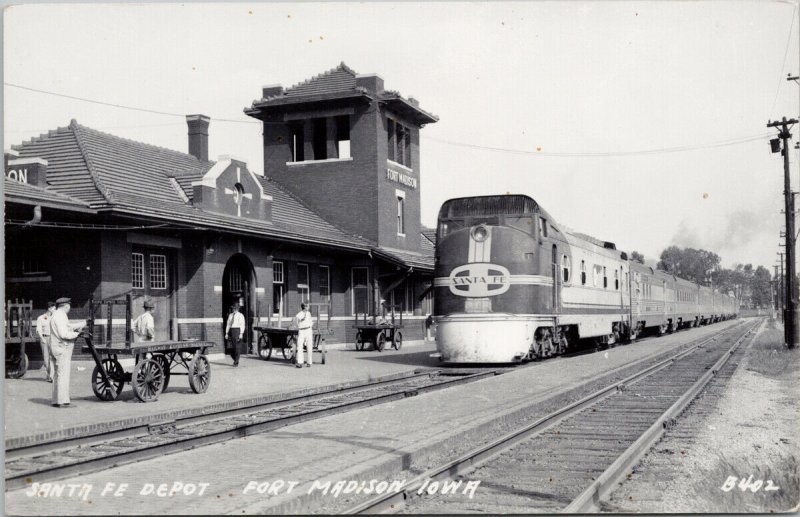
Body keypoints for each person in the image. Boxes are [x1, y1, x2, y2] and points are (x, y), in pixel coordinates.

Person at [49, 297, 85, 408]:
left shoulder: (56, 315)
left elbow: (67, 326)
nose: (70, 307)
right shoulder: (60, 316)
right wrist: (77, 334)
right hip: (62, 348)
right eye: (69, 305)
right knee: (63, 374)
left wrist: (81, 324)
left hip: (56, 348)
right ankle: (62, 401)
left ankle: (56, 400)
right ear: (65, 306)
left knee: (57, 374)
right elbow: (64, 334)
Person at [35, 301, 56, 382]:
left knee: (53, 357)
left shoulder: (54, 317)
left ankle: (51, 376)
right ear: (49, 308)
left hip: (53, 338)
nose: (55, 309)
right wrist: (42, 338)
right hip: (44, 338)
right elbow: (39, 329)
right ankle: (49, 374)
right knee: (46, 358)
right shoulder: (41, 318)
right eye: (54, 308)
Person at [225, 303, 246, 367]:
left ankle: (236, 362)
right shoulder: (230, 315)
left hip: (237, 331)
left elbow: (242, 324)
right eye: (233, 308)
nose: (234, 309)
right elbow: (228, 324)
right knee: (230, 348)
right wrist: (226, 333)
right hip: (231, 331)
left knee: (237, 347)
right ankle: (235, 359)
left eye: (235, 308)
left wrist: (241, 333)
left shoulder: (240, 315)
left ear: (237, 309)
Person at [294, 303, 313, 368]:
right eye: (307, 306)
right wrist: (298, 323)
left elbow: (311, 321)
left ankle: (309, 362)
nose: (308, 307)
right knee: (299, 346)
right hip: (301, 331)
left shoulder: (309, 313)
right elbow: (295, 321)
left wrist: (311, 325)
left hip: (308, 330)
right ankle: (300, 362)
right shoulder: (299, 314)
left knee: (309, 346)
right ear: (304, 307)